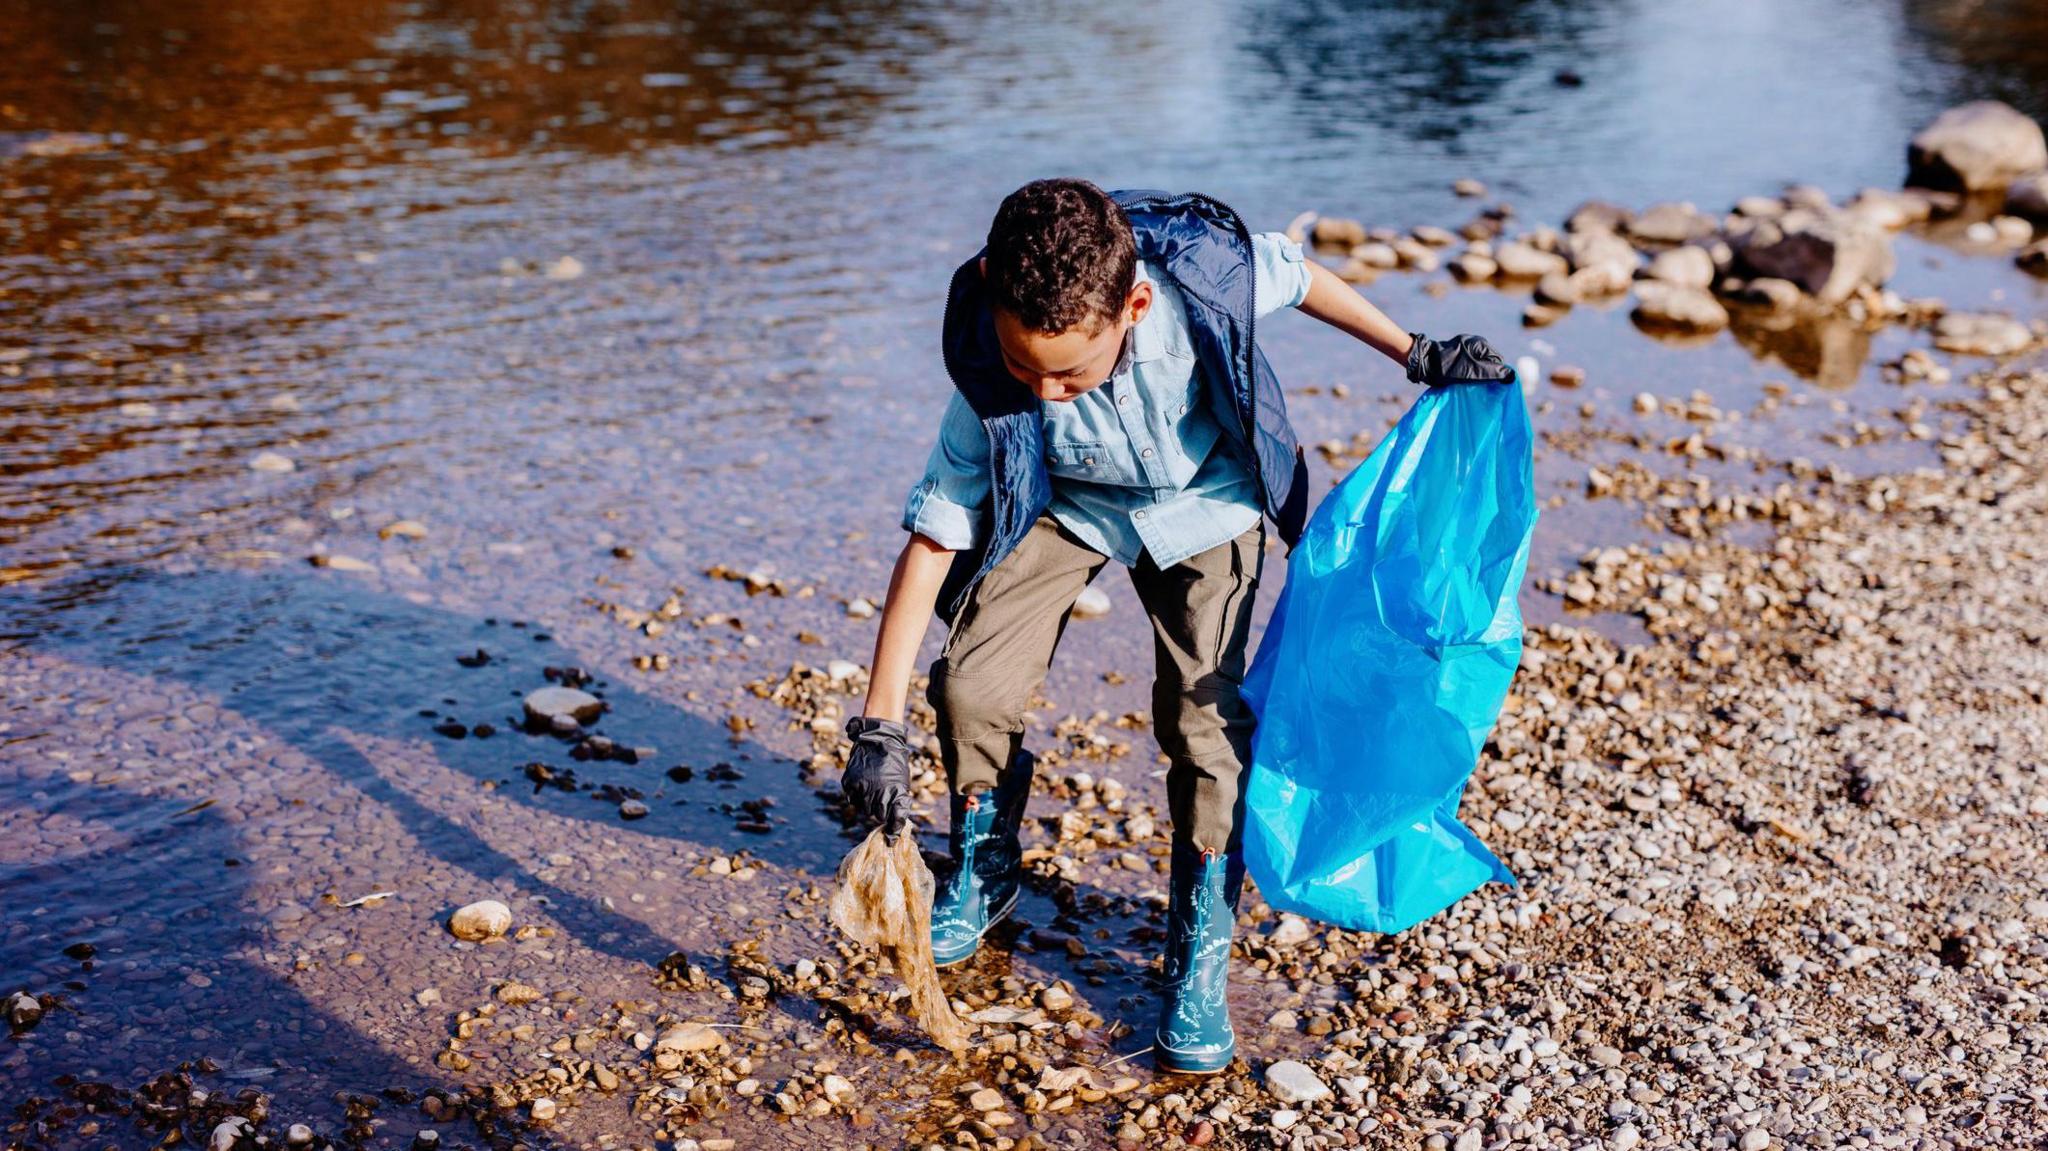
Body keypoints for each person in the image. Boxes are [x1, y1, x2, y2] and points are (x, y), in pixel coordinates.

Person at [840, 178, 1512, 1074]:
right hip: (1065, 504)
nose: (1045, 392)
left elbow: (1301, 275)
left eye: (1071, 371)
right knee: (968, 684)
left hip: (1207, 506)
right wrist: (878, 726)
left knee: (1202, 722)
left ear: (1135, 305)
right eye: (1023, 365)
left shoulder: (1204, 280)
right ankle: (985, 855)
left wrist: (1416, 350)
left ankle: (1198, 948)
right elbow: (932, 536)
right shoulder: (988, 356)